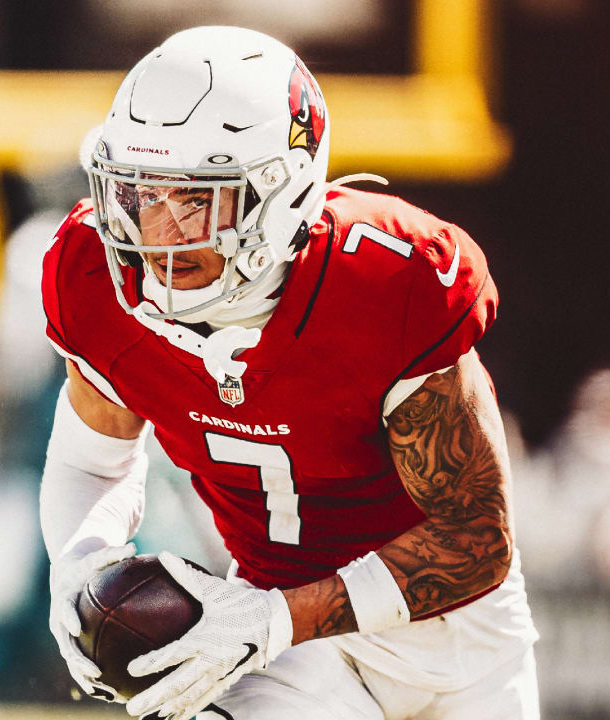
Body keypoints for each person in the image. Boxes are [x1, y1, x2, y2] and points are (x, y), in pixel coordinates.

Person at [38, 26, 539, 720]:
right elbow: (92, 459)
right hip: (282, 645)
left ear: (280, 190)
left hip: (453, 645)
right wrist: (81, 566)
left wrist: (273, 620)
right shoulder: (92, 275)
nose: (159, 231)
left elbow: (474, 539)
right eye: (141, 191)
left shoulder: (389, 282)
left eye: (195, 198)